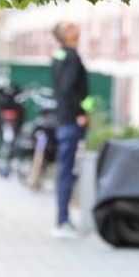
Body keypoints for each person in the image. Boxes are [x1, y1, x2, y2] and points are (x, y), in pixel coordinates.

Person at [50, 22, 90, 239]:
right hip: (72, 122)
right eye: (70, 26)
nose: (76, 26)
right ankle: (62, 221)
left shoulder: (58, 56)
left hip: (63, 119)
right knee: (68, 170)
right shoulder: (72, 57)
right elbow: (67, 88)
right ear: (66, 35)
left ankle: (63, 218)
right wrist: (79, 112)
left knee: (65, 169)